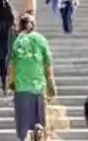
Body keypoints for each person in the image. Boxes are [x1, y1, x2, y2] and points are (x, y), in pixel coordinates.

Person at [9, 12, 57, 140]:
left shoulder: (17, 41)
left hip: (22, 87)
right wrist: (51, 85)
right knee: (39, 123)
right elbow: (48, 64)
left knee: (23, 126)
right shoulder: (41, 40)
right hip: (39, 87)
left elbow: (12, 65)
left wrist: (11, 82)